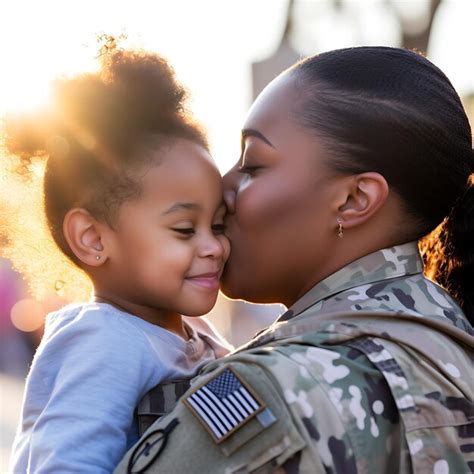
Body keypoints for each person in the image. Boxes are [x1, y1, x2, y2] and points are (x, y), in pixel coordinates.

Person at [116, 46, 474, 474]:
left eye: (252, 164)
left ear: (354, 200)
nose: (220, 189)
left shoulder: (267, 393)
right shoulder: (451, 344)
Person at [5, 43, 233, 473]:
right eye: (185, 229)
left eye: (219, 226)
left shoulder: (193, 333)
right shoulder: (104, 341)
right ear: (93, 238)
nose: (213, 246)